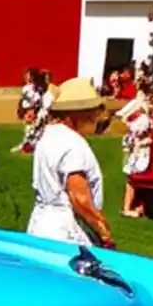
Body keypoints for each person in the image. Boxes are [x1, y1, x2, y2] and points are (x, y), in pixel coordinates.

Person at [27, 78, 114, 247]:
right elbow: (79, 196)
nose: (96, 117)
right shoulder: (73, 144)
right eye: (92, 112)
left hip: (41, 222)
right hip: (64, 230)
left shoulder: (48, 136)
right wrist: (103, 230)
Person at [116, 79, 153, 217]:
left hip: (144, 148)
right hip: (140, 149)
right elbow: (125, 119)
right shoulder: (139, 110)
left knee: (140, 179)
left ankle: (139, 206)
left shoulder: (148, 110)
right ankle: (127, 207)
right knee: (133, 178)